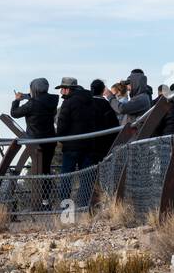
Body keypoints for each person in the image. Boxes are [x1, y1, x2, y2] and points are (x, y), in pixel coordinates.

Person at [54, 76, 119, 208]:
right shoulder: (90, 101)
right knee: (86, 178)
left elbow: (61, 126)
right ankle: (84, 206)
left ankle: (65, 208)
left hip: (71, 145)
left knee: (67, 176)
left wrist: (62, 140)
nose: (61, 92)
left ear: (68, 89)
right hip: (89, 145)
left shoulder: (68, 102)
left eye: (62, 89)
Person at [10, 78, 60, 174]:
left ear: (34, 89)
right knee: (46, 169)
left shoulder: (32, 104)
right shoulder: (52, 100)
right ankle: (47, 188)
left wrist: (17, 100)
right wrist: (28, 96)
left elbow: (14, 113)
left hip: (36, 141)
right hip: (50, 140)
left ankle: (40, 189)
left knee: (38, 170)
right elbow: (42, 101)